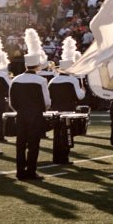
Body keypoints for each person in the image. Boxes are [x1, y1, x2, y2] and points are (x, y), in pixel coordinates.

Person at [9, 31, 51, 181]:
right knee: (33, 144)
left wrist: (20, 111)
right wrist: (40, 111)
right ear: (37, 65)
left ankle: (20, 172)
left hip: (21, 115)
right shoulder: (41, 81)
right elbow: (47, 102)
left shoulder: (16, 80)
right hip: (35, 115)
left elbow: (11, 101)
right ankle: (31, 171)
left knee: (20, 144)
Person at [48, 36, 84, 167]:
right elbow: (80, 97)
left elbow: (49, 97)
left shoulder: (52, 80)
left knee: (57, 134)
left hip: (55, 110)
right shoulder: (73, 80)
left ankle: (56, 157)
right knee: (67, 133)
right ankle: (64, 157)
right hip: (68, 110)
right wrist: (83, 90)